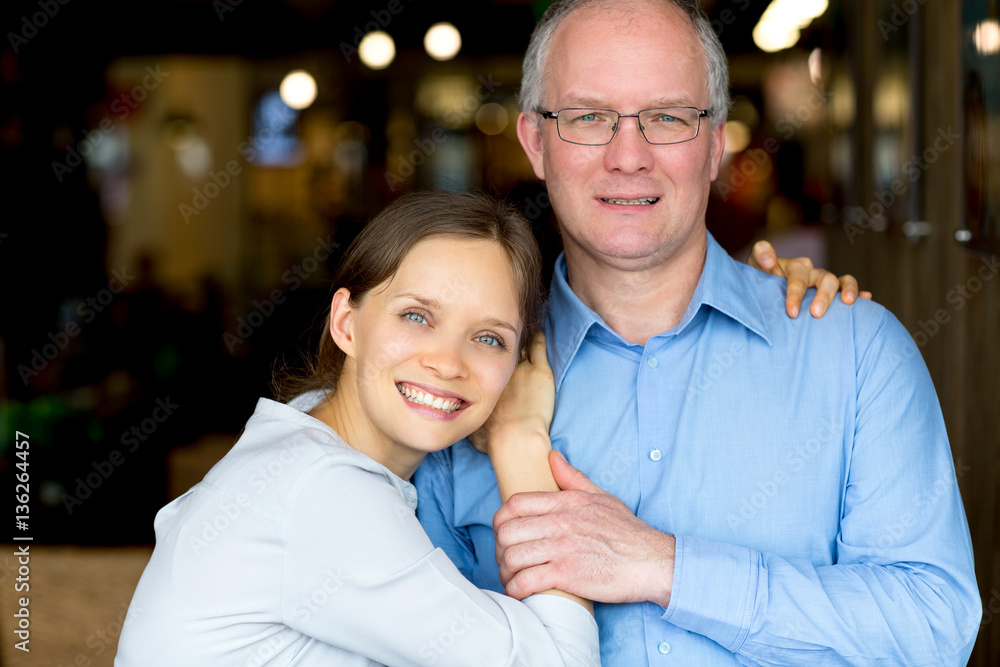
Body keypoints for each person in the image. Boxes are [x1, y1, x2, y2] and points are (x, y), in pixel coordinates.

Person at [413, 1, 982, 665]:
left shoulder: (856, 352)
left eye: (668, 118)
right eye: (589, 117)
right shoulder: (458, 380)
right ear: (536, 141)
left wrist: (666, 567)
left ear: (715, 142)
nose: (629, 156)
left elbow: (935, 629)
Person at [115, 190, 602, 666]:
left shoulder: (306, 433)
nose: (449, 363)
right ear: (346, 323)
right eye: (417, 316)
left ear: (515, 367)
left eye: (489, 338)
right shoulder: (322, 489)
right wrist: (519, 440)